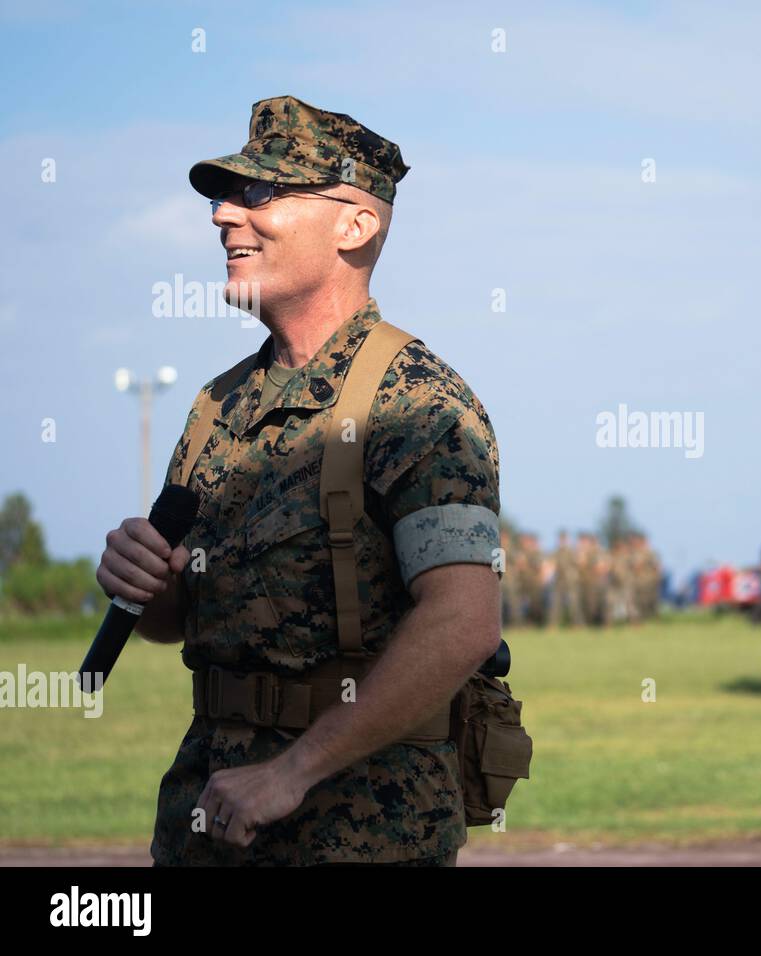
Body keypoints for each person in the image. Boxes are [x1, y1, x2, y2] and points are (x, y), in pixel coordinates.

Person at [95, 96, 501, 866]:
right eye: (225, 196)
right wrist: (145, 581)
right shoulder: (217, 405)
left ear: (355, 225)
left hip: (360, 831)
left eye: (260, 193)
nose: (223, 216)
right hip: (204, 819)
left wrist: (292, 773)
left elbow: (463, 623)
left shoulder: (417, 403)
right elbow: (175, 624)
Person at [547, 530, 584, 628]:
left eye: (564, 539)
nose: (562, 542)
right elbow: (550, 563)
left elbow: (578, 564)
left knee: (574, 603)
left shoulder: (572, 552)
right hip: (559, 581)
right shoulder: (556, 552)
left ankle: (577, 624)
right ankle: (553, 624)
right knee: (555, 603)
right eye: (561, 539)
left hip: (570, 581)